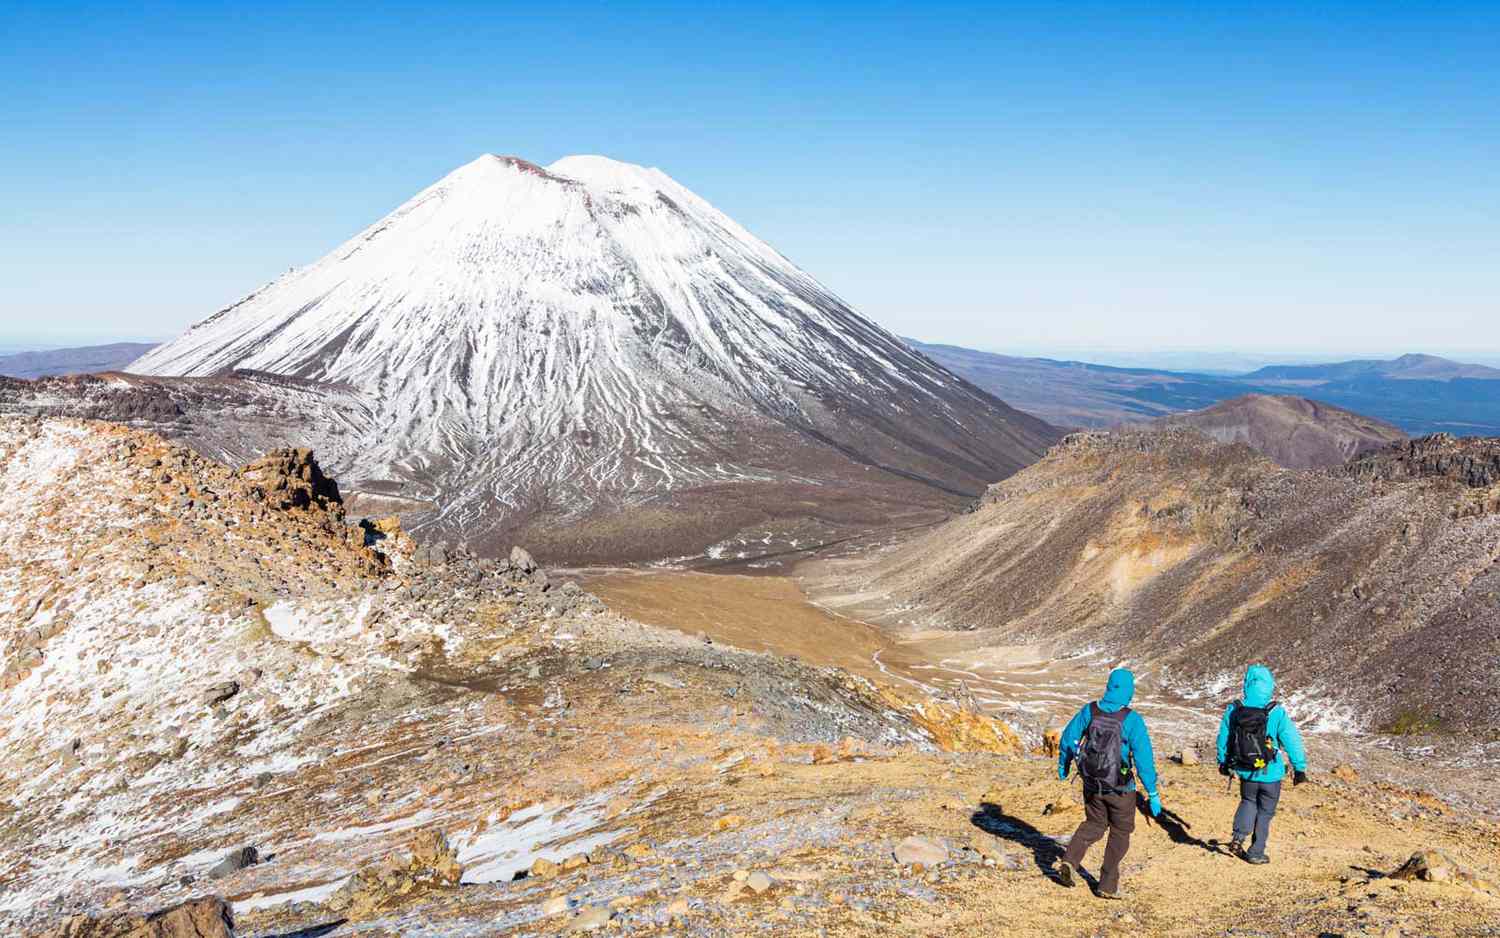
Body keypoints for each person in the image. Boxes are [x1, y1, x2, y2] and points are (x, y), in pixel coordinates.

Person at [1055, 667, 1161, 899]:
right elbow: (1143, 760)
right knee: (1120, 832)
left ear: (1109, 686)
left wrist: (1064, 766)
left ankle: (1069, 860)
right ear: (1129, 691)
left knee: (1094, 823)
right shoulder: (1132, 719)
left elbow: (1068, 739)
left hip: (1092, 783)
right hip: (1121, 789)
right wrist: (1152, 792)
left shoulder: (1090, 710)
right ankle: (1107, 885)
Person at [1216, 663, 1308, 865]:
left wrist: (1223, 762)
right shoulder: (1276, 712)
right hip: (1271, 773)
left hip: (1246, 770)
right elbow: (1292, 741)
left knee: (1248, 801)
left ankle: (1238, 837)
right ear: (1269, 685)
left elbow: (1224, 738)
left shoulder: (1235, 709)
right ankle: (1256, 852)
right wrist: (1300, 768)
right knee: (1265, 812)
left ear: (1247, 684)